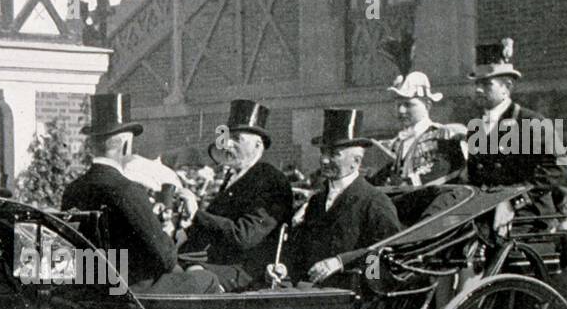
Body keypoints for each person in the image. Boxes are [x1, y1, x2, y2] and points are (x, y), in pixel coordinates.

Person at [61, 93, 221, 295]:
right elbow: (165, 258)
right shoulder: (128, 190)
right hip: (134, 291)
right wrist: (170, 232)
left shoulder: (73, 189)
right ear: (127, 144)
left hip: (92, 288)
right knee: (207, 279)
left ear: (92, 144)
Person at [179, 99, 293, 290]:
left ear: (257, 146)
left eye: (237, 139)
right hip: (221, 264)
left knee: (187, 279)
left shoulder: (270, 180)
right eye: (228, 137)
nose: (227, 144)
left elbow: (245, 236)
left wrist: (197, 214)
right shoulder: (236, 176)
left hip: (249, 272)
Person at [287, 108, 402, 287]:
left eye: (333, 154)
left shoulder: (374, 202)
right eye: (323, 152)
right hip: (314, 296)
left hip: (357, 302)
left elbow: (387, 256)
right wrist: (284, 269)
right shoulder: (317, 202)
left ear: (356, 161)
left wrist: (341, 262)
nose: (324, 160)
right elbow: (304, 253)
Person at [452, 38, 567, 194]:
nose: (478, 89)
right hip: (488, 212)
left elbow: (558, 173)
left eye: (487, 84)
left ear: (506, 87)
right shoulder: (476, 126)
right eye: (477, 83)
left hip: (527, 213)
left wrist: (513, 202)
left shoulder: (531, 122)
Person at [370, 71, 467, 188]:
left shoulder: (442, 134)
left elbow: (445, 169)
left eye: (408, 104)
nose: (401, 110)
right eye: (398, 105)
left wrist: (407, 183)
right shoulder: (396, 143)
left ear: (427, 105)